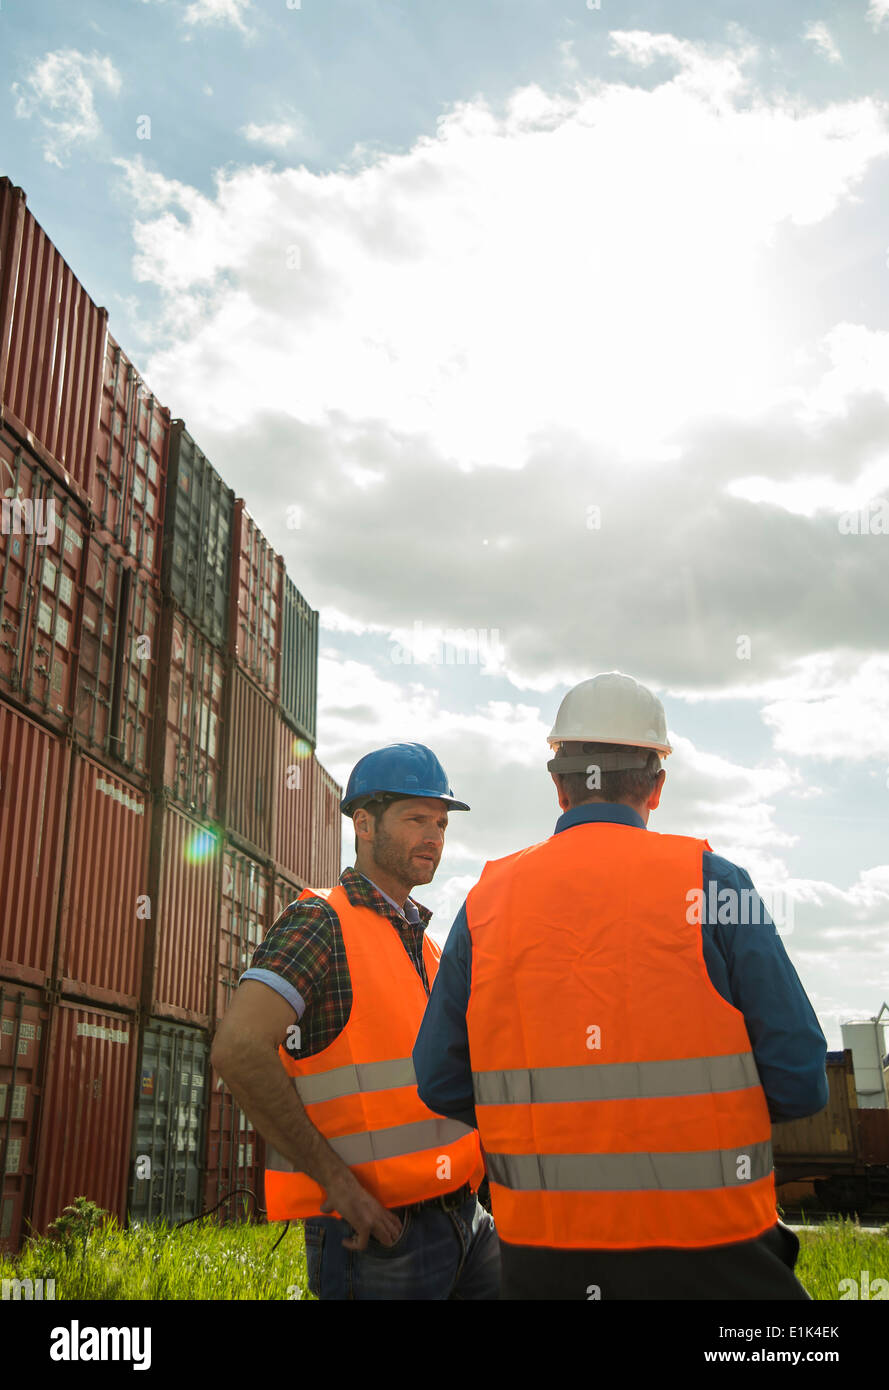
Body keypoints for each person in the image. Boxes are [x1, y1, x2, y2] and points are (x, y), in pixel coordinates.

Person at [413, 672, 828, 1300]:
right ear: (657, 785)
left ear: (559, 785)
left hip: (541, 1258)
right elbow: (800, 1080)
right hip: (716, 1254)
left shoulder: (486, 905)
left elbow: (441, 1082)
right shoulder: (714, 886)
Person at [211, 741, 500, 1301]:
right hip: (382, 1236)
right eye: (416, 819)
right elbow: (238, 1048)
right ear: (363, 824)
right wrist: (337, 1185)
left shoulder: (427, 947)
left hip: (467, 1221)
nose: (434, 836)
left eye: (441, 823)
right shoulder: (319, 921)